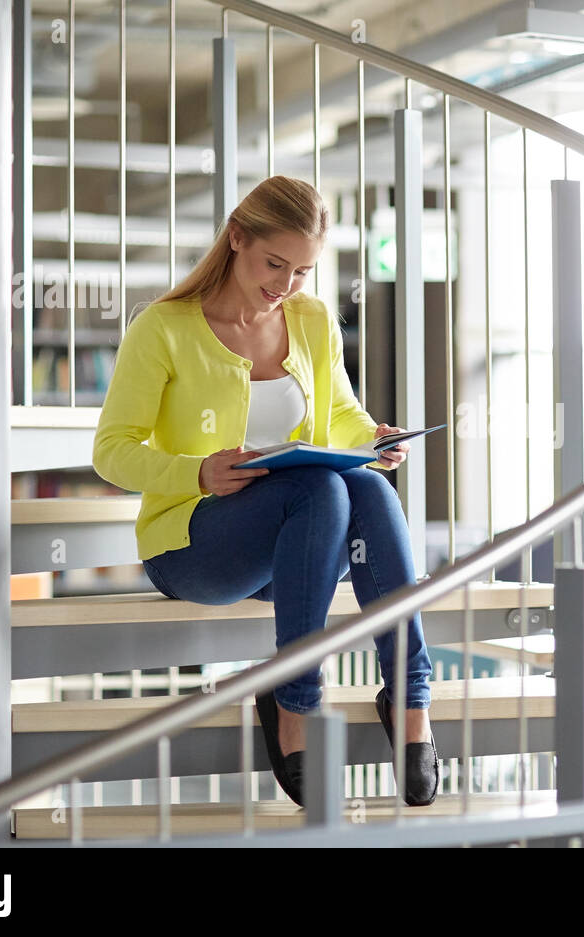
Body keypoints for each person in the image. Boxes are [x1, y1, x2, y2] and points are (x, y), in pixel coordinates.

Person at [91, 175, 439, 807]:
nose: (285, 285)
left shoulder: (310, 322)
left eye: (303, 271)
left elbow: (342, 417)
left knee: (364, 486)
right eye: (274, 264)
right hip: (195, 546)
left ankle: (410, 698)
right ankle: (295, 700)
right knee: (325, 493)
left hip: (295, 550)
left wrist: (376, 437)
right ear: (236, 239)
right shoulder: (164, 329)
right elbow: (111, 451)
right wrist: (196, 472)